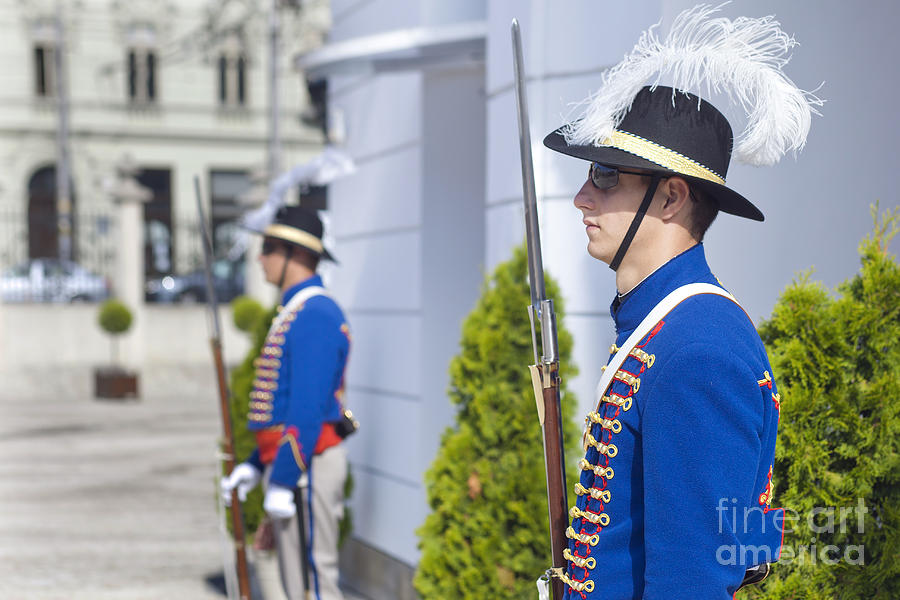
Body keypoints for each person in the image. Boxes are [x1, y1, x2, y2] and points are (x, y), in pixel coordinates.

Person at [539, 7, 820, 599]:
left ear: (670, 197)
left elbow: (692, 580)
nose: (582, 197)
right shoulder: (662, 325)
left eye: (606, 175)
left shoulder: (699, 348)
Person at [222, 205, 350, 600]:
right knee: (297, 584)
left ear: (295, 254)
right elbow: (280, 406)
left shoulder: (315, 312)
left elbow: (307, 407)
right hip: (294, 463)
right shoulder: (295, 310)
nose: (260, 258)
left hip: (307, 463)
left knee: (315, 582)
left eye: (269, 248)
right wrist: (255, 463)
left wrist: (282, 477)